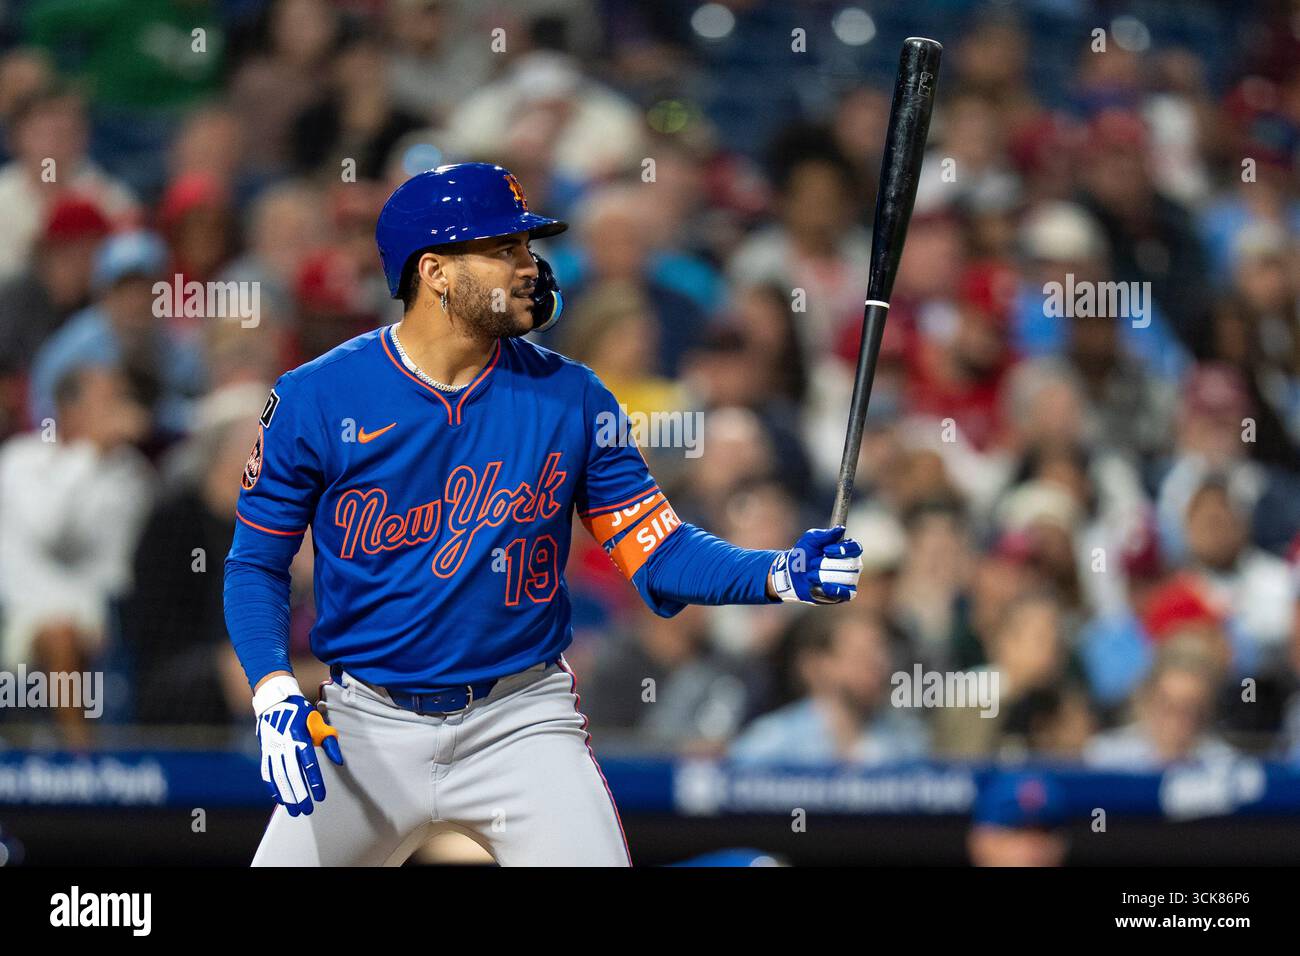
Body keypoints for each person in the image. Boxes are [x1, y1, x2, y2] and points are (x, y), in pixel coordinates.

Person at [223, 163, 864, 866]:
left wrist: (780, 572)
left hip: (519, 720)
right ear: (435, 272)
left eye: (526, 248)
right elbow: (257, 561)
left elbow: (658, 551)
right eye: (504, 250)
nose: (529, 266)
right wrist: (275, 689)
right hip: (366, 721)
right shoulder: (318, 396)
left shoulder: (574, 398)